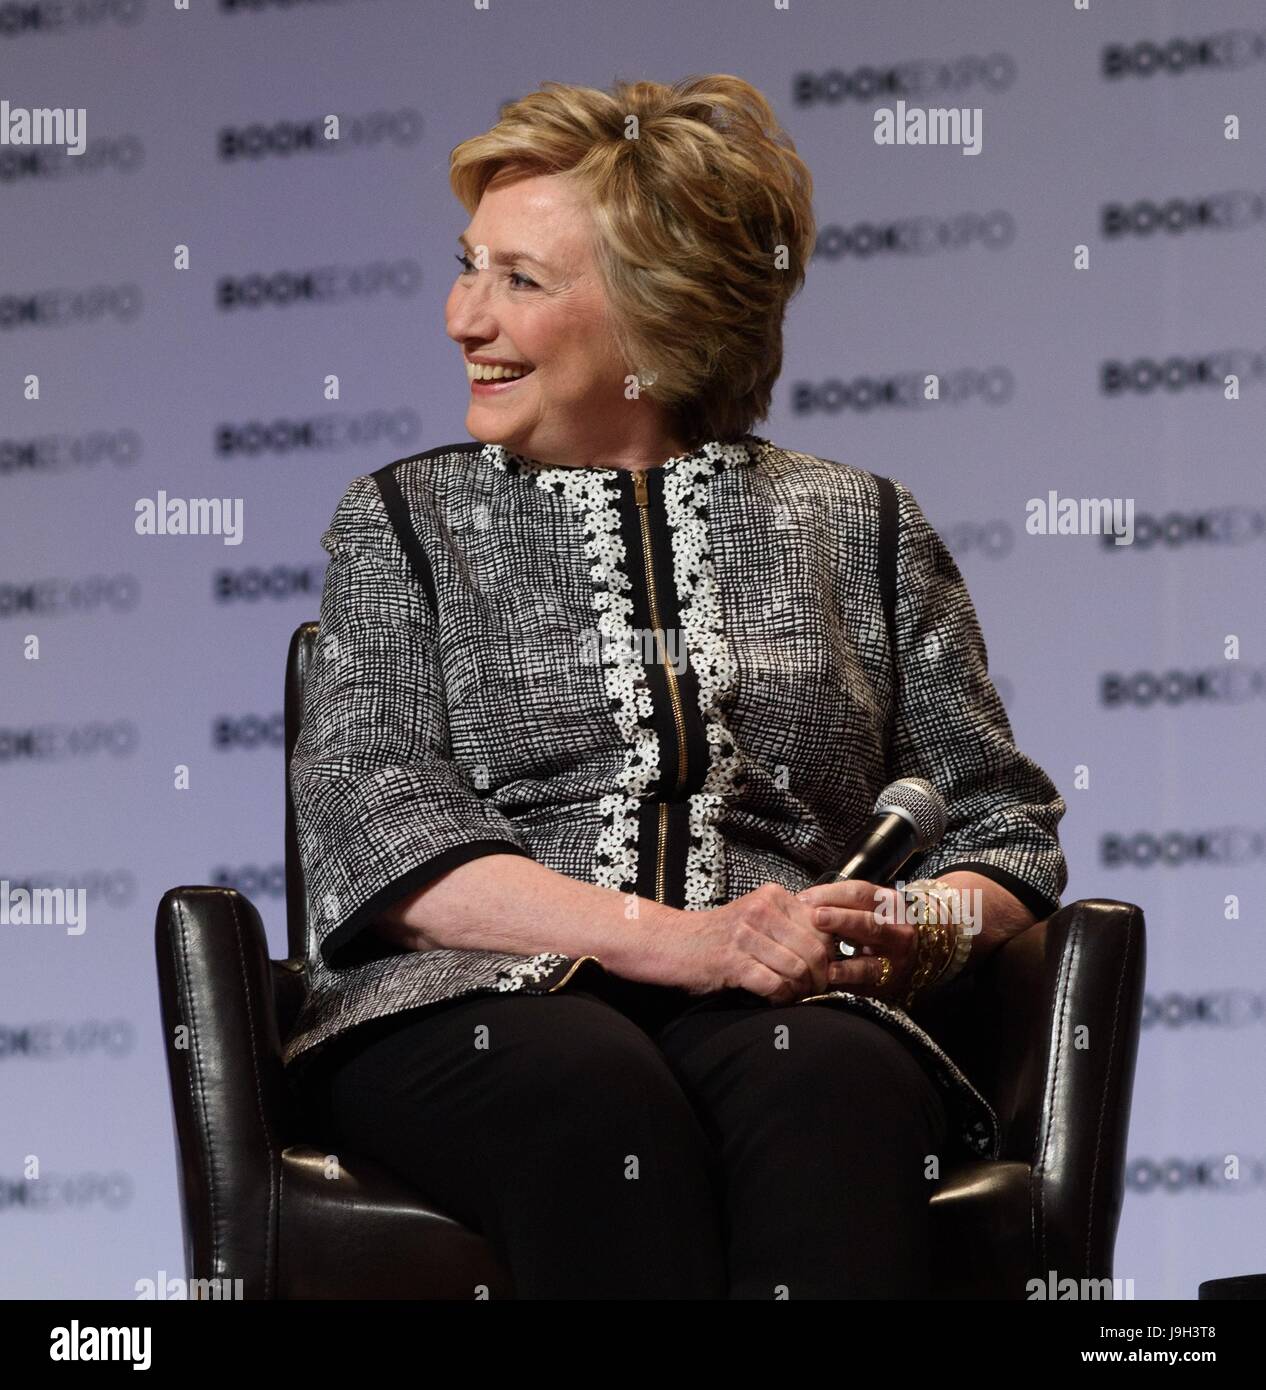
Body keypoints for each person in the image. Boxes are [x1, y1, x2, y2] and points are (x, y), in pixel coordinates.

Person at [282, 73, 1068, 1299]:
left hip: (785, 1005)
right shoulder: (404, 521)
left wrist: (910, 932)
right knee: (590, 1090)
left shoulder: (860, 525)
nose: (459, 315)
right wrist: (681, 943)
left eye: (518, 281)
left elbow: (1000, 826)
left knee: (833, 1082)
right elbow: (380, 828)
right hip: (474, 1005)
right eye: (468, 264)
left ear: (662, 319)